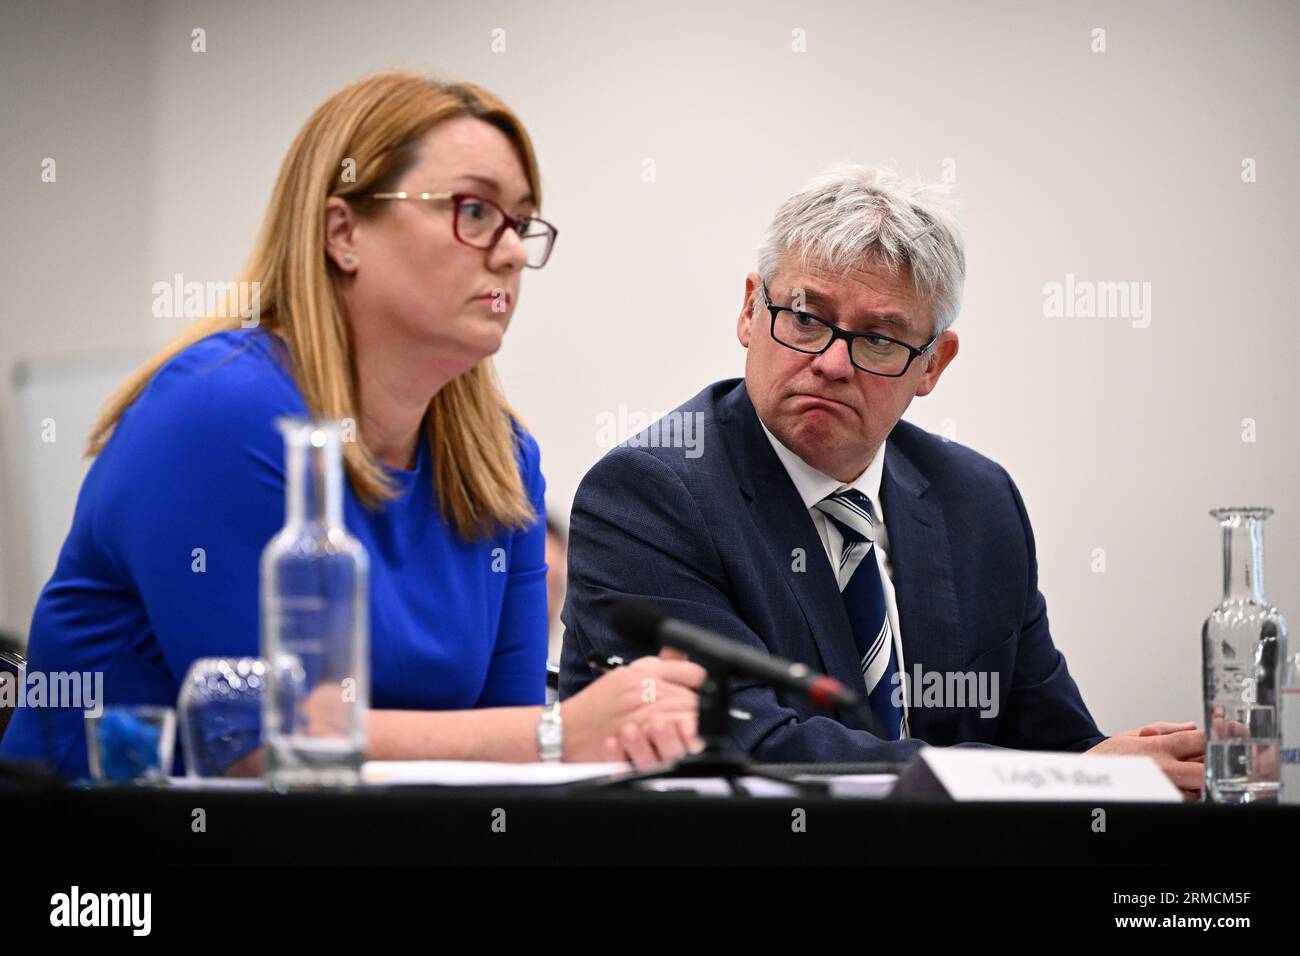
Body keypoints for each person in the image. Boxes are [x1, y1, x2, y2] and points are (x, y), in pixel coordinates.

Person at [0, 72, 702, 778]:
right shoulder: (219, 408)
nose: (513, 251)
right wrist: (560, 735)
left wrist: (556, 739)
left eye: (521, 222)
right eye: (474, 211)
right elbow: (249, 745)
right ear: (344, 233)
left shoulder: (501, 458)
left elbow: (504, 758)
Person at [559, 165, 1204, 796]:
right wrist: (1074, 774)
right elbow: (749, 747)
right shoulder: (648, 496)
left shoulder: (977, 502)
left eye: (878, 340)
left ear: (933, 365)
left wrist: (1142, 766)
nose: (832, 362)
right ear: (750, 311)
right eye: (806, 318)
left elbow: (1054, 742)